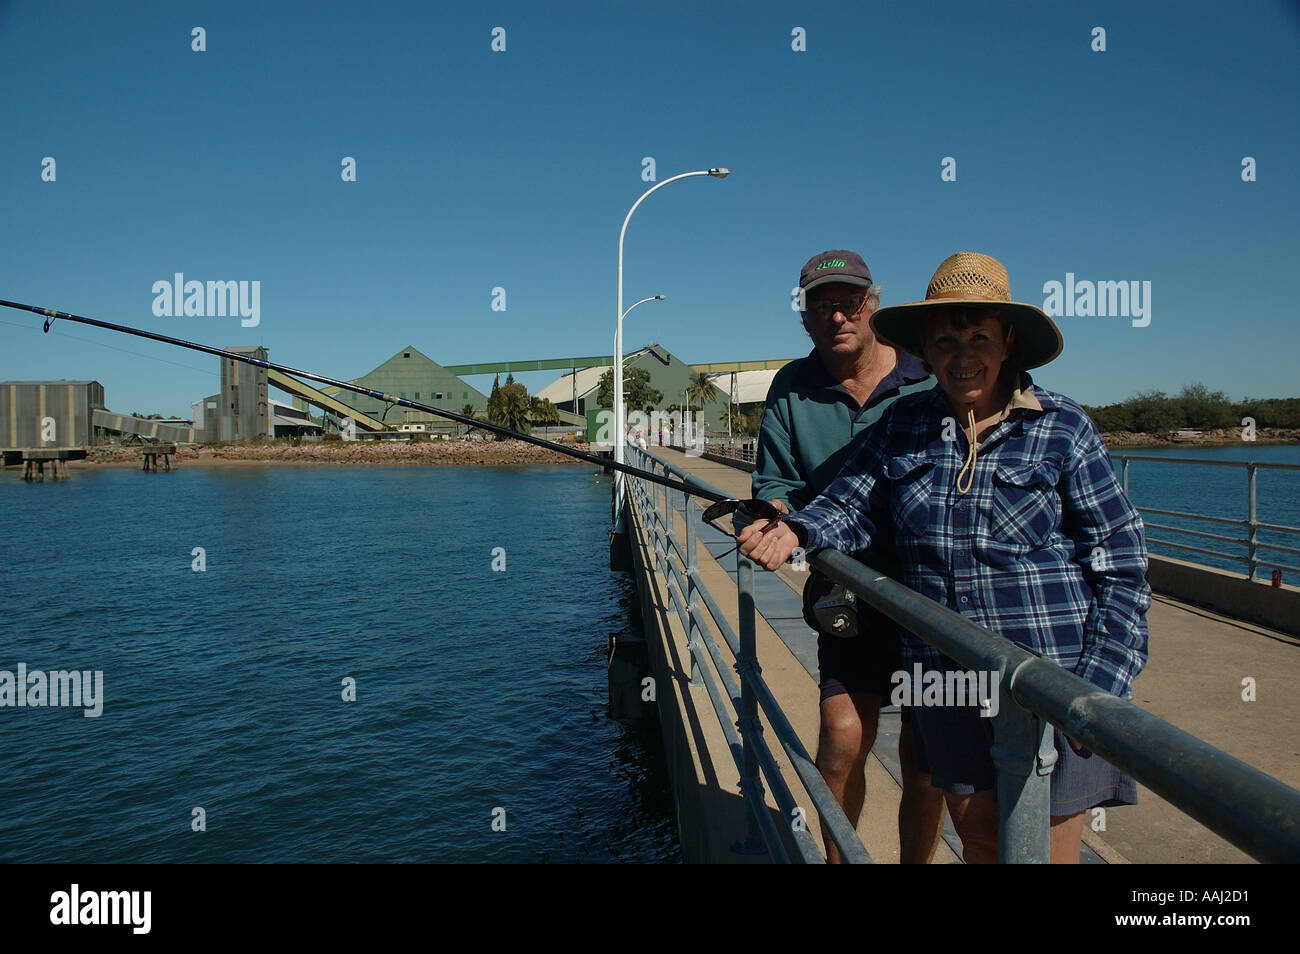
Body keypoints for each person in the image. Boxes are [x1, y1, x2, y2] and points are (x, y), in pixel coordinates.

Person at [739, 251, 1150, 863]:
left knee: (1042, 850)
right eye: (945, 341)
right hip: (946, 675)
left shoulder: (1063, 427)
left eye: (979, 337)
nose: (962, 356)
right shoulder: (905, 424)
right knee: (979, 838)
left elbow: (1121, 563)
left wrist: (1096, 688)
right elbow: (848, 503)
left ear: (1008, 344)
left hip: (1052, 675)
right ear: (926, 352)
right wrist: (794, 530)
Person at [752, 249, 946, 864]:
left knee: (925, 759)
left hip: (932, 597)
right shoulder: (791, 386)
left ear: (873, 306)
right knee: (840, 739)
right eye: (821, 306)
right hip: (846, 594)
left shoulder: (929, 372)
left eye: (850, 302)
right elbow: (776, 485)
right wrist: (774, 521)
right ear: (804, 317)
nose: (837, 316)